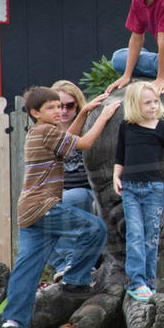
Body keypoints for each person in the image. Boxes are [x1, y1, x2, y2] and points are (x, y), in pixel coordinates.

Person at [0, 87, 122, 328]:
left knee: (27, 269)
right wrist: (104, 116)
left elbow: (67, 139)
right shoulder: (45, 131)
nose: (58, 111)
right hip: (44, 207)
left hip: (28, 210)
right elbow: (85, 143)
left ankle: (13, 325)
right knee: (95, 228)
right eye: (51, 108)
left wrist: (86, 111)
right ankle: (75, 280)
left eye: (60, 106)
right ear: (35, 113)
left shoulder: (39, 132)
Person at [113, 81, 164, 302]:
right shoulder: (127, 126)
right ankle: (136, 282)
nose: (153, 106)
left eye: (155, 101)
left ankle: (149, 282)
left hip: (154, 190)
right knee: (134, 235)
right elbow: (120, 155)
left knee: (150, 238)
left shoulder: (162, 128)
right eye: (147, 103)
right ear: (134, 104)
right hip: (130, 190)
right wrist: (116, 176)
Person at [45, 80, 103, 282]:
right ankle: (63, 268)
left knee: (65, 200)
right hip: (57, 193)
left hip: (83, 190)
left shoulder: (89, 127)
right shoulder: (46, 131)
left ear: (78, 105)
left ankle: (71, 262)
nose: (64, 110)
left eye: (69, 105)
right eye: (58, 105)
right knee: (33, 215)